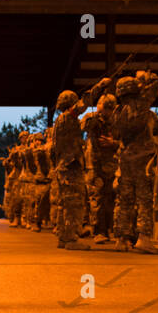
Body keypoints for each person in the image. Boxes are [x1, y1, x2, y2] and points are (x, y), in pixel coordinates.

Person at [99, 73, 158, 254]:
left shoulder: (117, 112)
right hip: (143, 158)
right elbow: (156, 84)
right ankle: (144, 238)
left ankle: (122, 239)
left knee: (124, 200)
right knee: (144, 199)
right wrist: (145, 78)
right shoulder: (141, 106)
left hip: (125, 159)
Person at [49, 90, 90, 249]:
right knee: (74, 203)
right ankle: (71, 239)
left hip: (62, 167)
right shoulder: (67, 117)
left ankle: (63, 237)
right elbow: (81, 107)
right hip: (70, 167)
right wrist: (99, 86)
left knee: (64, 204)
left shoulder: (59, 120)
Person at [81, 92, 119, 245]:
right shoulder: (92, 118)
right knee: (97, 198)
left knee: (111, 198)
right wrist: (97, 113)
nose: (107, 113)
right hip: (95, 166)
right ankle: (98, 231)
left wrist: (113, 143)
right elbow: (84, 126)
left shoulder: (116, 120)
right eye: (104, 108)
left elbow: (123, 139)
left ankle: (109, 230)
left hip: (112, 164)